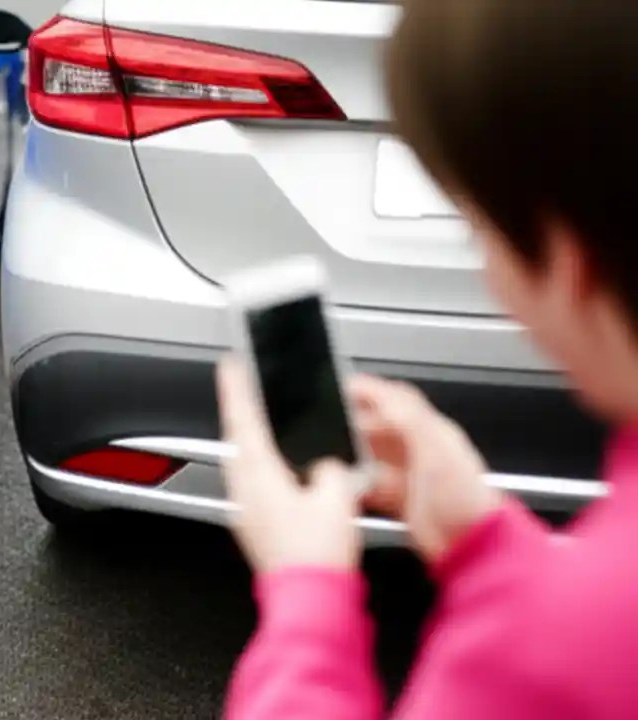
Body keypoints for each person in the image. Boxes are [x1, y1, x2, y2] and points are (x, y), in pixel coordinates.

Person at [220, 1, 638, 718]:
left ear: (570, 263)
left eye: (479, 231)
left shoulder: (538, 652)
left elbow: (581, 648)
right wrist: (483, 543)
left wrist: (306, 599)